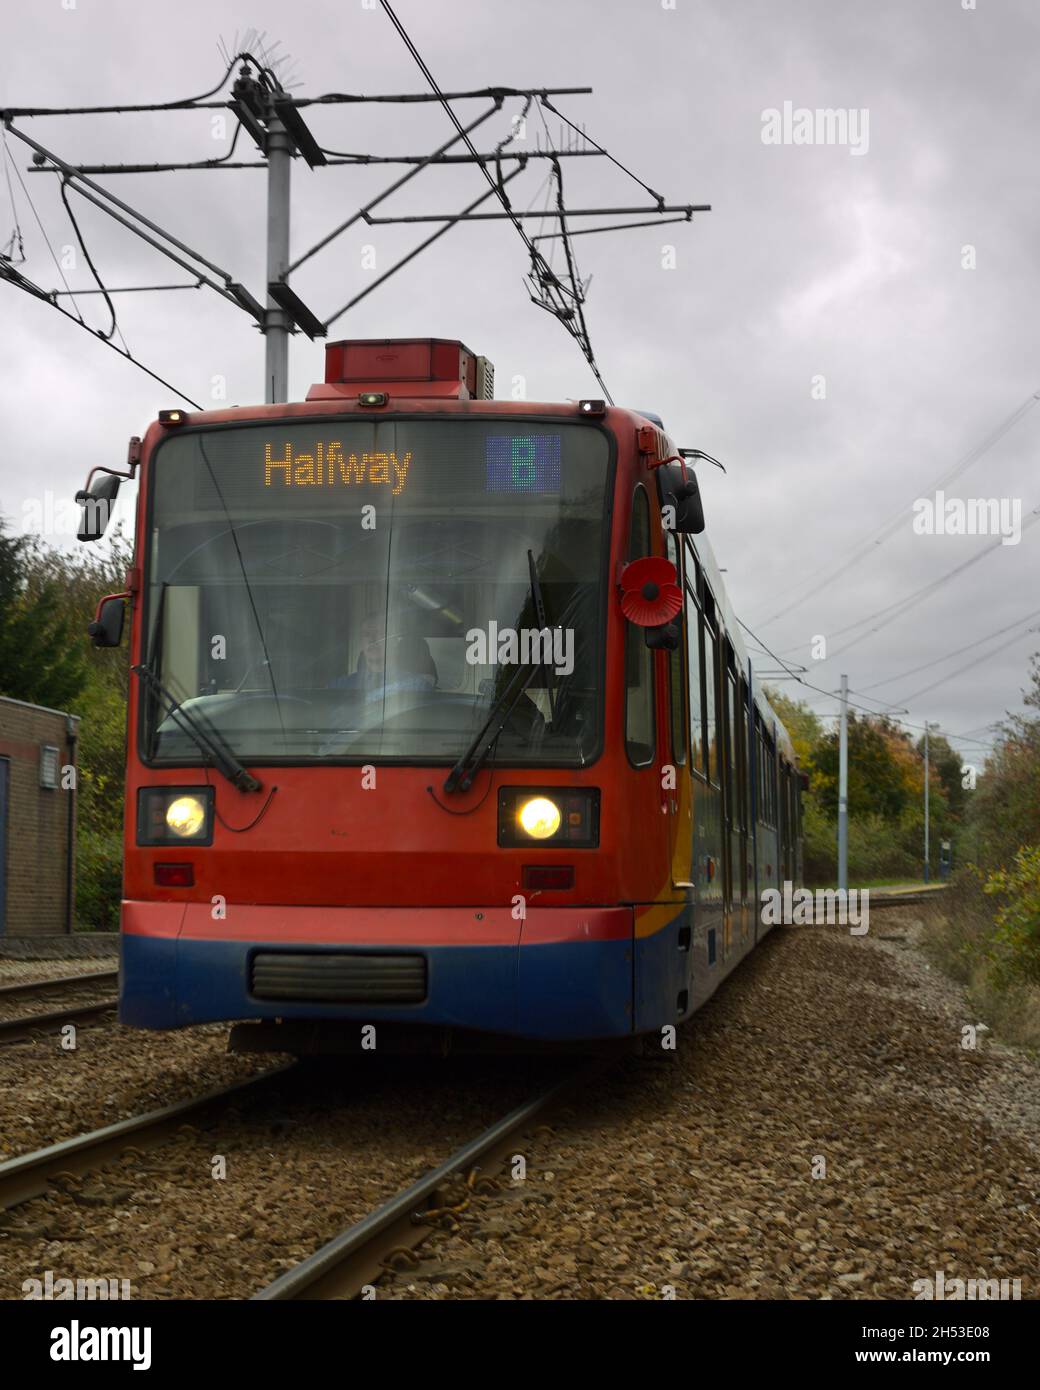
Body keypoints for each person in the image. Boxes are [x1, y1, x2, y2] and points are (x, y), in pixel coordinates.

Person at [330, 615, 437, 701]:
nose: (372, 640)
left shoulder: (417, 686)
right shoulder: (340, 686)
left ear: (394, 641)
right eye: (366, 634)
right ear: (361, 642)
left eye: (379, 633)